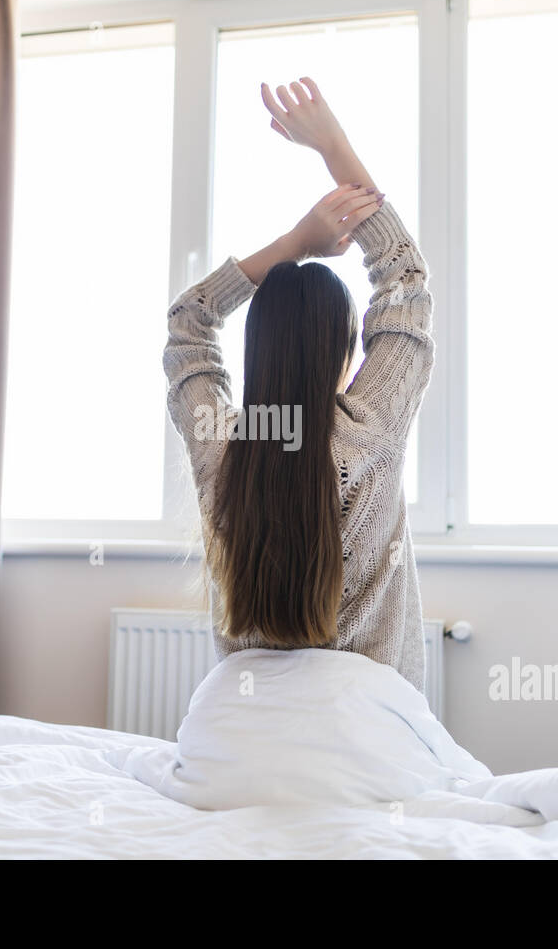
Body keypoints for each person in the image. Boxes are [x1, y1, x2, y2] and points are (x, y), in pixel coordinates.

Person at [163, 77, 434, 691]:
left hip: (240, 733)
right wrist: (332, 145)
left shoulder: (221, 447)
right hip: (368, 735)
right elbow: (405, 279)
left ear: (255, 350)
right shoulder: (371, 433)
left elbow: (189, 322)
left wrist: (292, 246)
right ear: (346, 349)